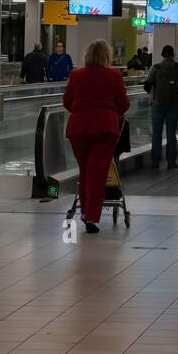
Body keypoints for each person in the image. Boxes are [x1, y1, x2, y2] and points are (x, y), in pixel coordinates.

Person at [62, 39, 130, 233]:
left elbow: (67, 101)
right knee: (97, 173)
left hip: (78, 129)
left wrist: (81, 112)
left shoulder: (76, 75)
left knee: (85, 171)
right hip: (104, 129)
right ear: (106, 55)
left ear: (87, 55)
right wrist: (111, 113)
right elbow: (123, 104)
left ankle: (86, 212)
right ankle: (91, 217)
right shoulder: (114, 76)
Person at [144, 45, 178, 171]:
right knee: (171, 134)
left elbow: (147, 85)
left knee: (156, 133)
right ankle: (171, 162)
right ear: (173, 54)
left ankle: (155, 161)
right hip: (173, 105)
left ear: (162, 54)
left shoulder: (156, 68)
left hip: (158, 104)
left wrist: (154, 94)